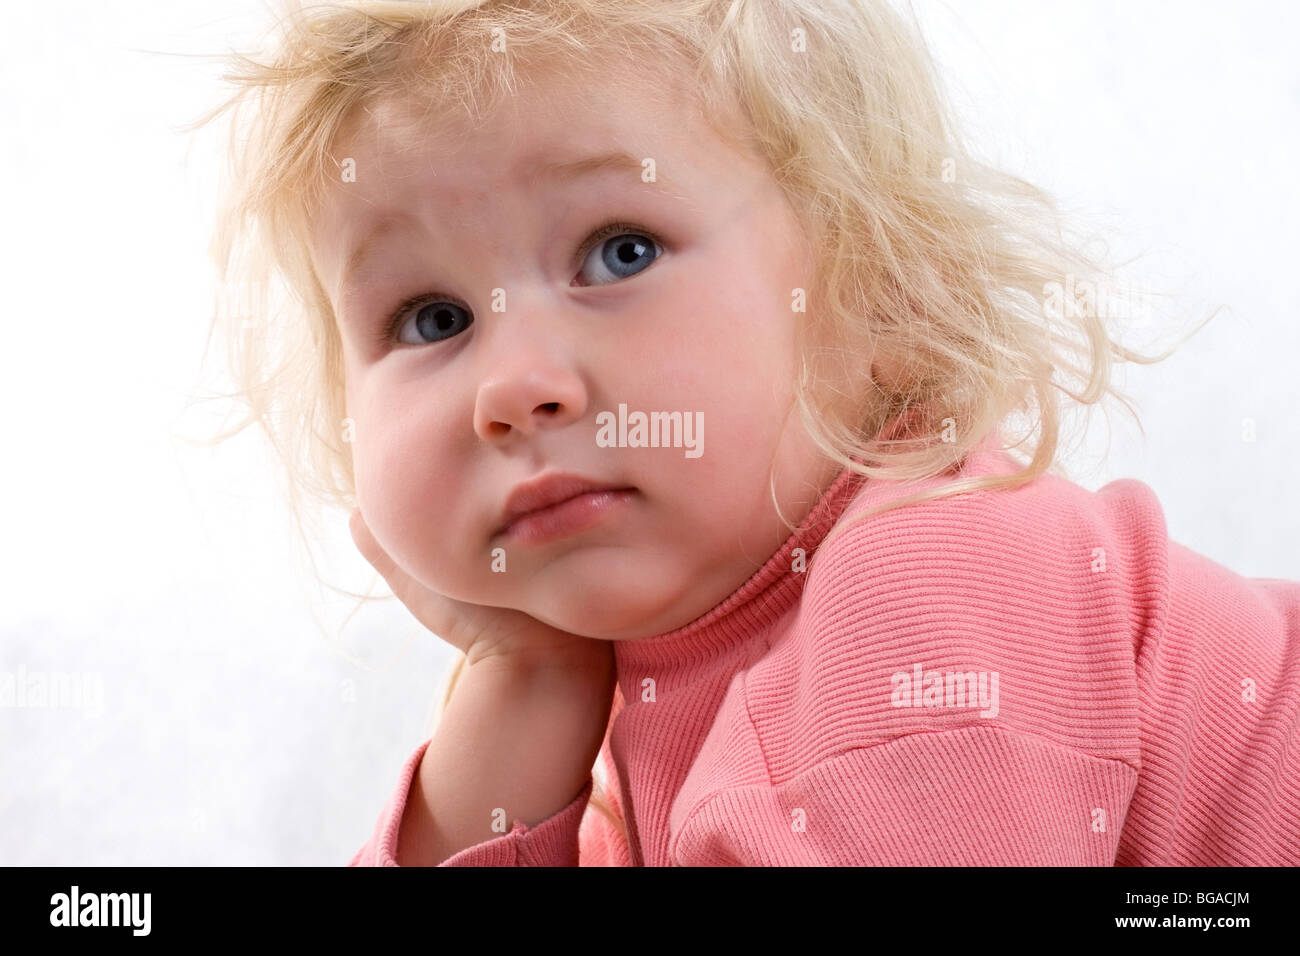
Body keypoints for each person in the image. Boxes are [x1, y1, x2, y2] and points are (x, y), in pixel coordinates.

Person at [193, 0, 1300, 865]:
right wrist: (525, 677)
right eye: (430, 319)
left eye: (619, 250)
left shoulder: (928, 572)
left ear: (878, 295)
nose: (514, 385)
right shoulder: (641, 669)